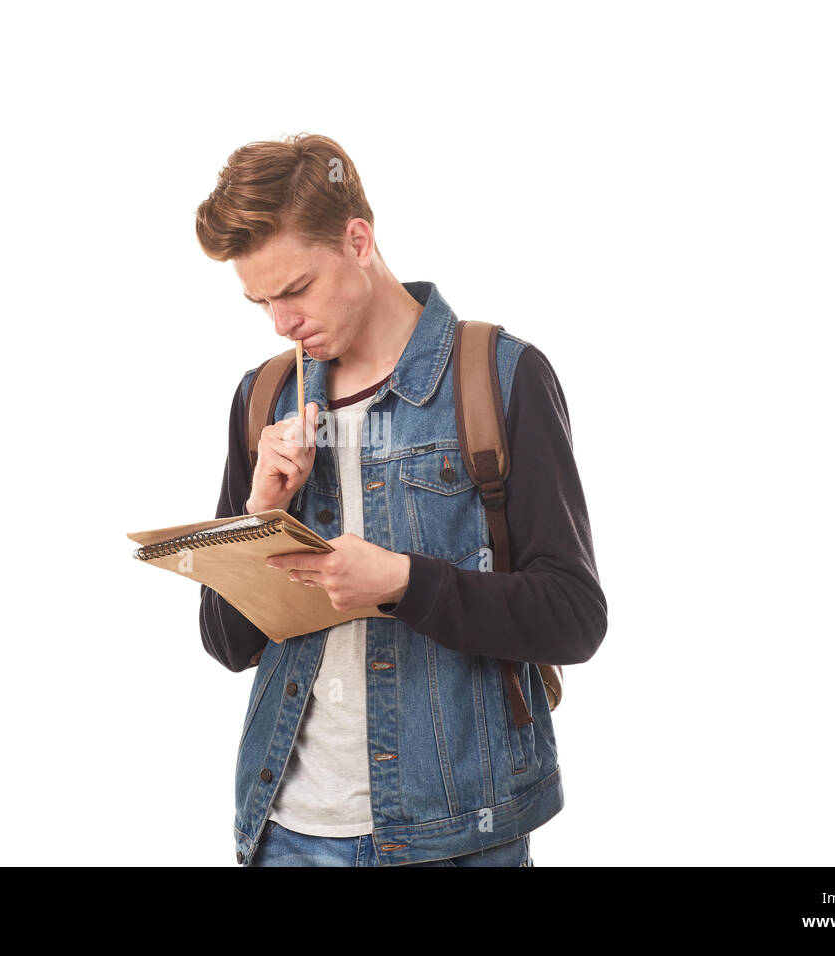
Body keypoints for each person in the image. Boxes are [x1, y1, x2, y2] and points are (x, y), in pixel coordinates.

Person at [193, 133, 607, 867]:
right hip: (286, 832)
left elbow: (573, 619)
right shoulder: (264, 398)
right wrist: (256, 519)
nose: (281, 323)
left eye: (295, 290)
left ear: (358, 241)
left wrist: (405, 585)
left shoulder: (499, 377)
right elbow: (228, 646)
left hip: (458, 834)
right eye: (260, 302)